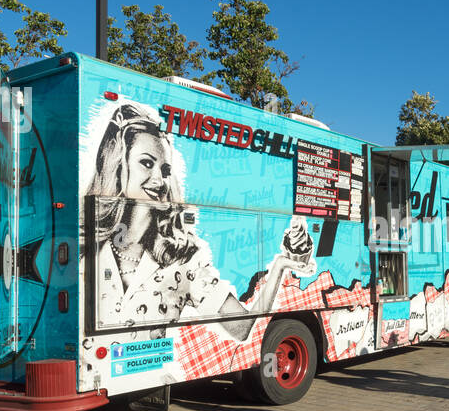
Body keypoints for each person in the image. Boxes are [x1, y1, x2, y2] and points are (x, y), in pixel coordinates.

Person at [86, 102, 301, 338]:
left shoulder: (183, 259)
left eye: (166, 170)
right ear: (118, 165)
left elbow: (241, 327)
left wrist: (279, 266)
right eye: (146, 163)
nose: (159, 180)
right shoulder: (85, 248)